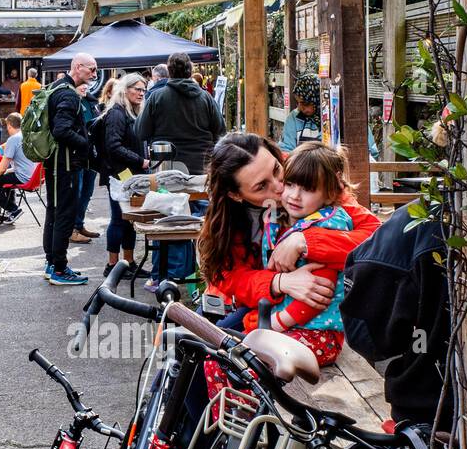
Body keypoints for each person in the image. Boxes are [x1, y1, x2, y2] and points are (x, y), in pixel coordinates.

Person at [197, 131, 381, 326]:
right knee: (187, 340)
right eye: (261, 186)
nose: (280, 187)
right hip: (241, 301)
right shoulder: (227, 218)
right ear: (235, 195)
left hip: (300, 311)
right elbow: (230, 276)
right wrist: (279, 282)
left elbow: (376, 237)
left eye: (277, 169)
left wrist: (304, 241)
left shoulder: (308, 176)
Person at [341, 204, 454, 428]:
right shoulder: (428, 218)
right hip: (438, 396)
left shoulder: (417, 219)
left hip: (424, 402)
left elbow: (368, 339)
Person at [261, 143, 357, 366]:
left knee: (244, 365)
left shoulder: (326, 228)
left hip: (318, 336)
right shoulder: (286, 221)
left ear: (331, 192)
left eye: (308, 189)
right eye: (290, 184)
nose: (294, 195)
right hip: (295, 331)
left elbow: (316, 297)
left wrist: (273, 323)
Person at [136, 50, 226, 287]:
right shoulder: (205, 98)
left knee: (167, 219)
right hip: (202, 168)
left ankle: (161, 276)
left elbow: (141, 131)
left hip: (168, 169)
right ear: (189, 70)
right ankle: (207, 275)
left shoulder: (157, 97)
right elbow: (221, 130)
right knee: (204, 223)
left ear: (170, 70)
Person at [44, 51, 97, 286]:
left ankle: (51, 263)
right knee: (64, 214)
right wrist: (86, 142)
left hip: (54, 162)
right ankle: (59, 268)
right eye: (91, 69)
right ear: (77, 68)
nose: (94, 74)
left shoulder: (56, 88)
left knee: (54, 213)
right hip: (64, 164)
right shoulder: (69, 95)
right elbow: (61, 131)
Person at [101, 72, 149, 278]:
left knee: (129, 219)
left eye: (143, 90)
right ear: (125, 89)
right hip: (120, 175)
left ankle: (128, 262)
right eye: (137, 89)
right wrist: (140, 160)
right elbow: (113, 146)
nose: (141, 93)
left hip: (131, 175)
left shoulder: (131, 112)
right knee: (119, 219)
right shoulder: (117, 113)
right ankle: (112, 265)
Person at [280, 74, 379, 159]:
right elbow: (285, 151)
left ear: (317, 100)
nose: (300, 107)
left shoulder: (339, 118)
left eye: (305, 103)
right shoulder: (294, 118)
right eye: (298, 102)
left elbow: (371, 152)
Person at [0, 112, 36, 222]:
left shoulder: (13, 139)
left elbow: (2, 168)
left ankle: (13, 209)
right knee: (6, 176)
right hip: (33, 175)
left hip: (23, 176)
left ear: (9, 125)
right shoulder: (27, 135)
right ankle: (11, 212)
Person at [71, 80, 101, 245]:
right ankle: (72, 230)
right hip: (77, 155)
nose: (84, 86)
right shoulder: (71, 101)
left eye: (86, 84)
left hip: (92, 155)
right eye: (81, 84)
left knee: (87, 193)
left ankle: (79, 224)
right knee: (77, 192)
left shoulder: (91, 101)